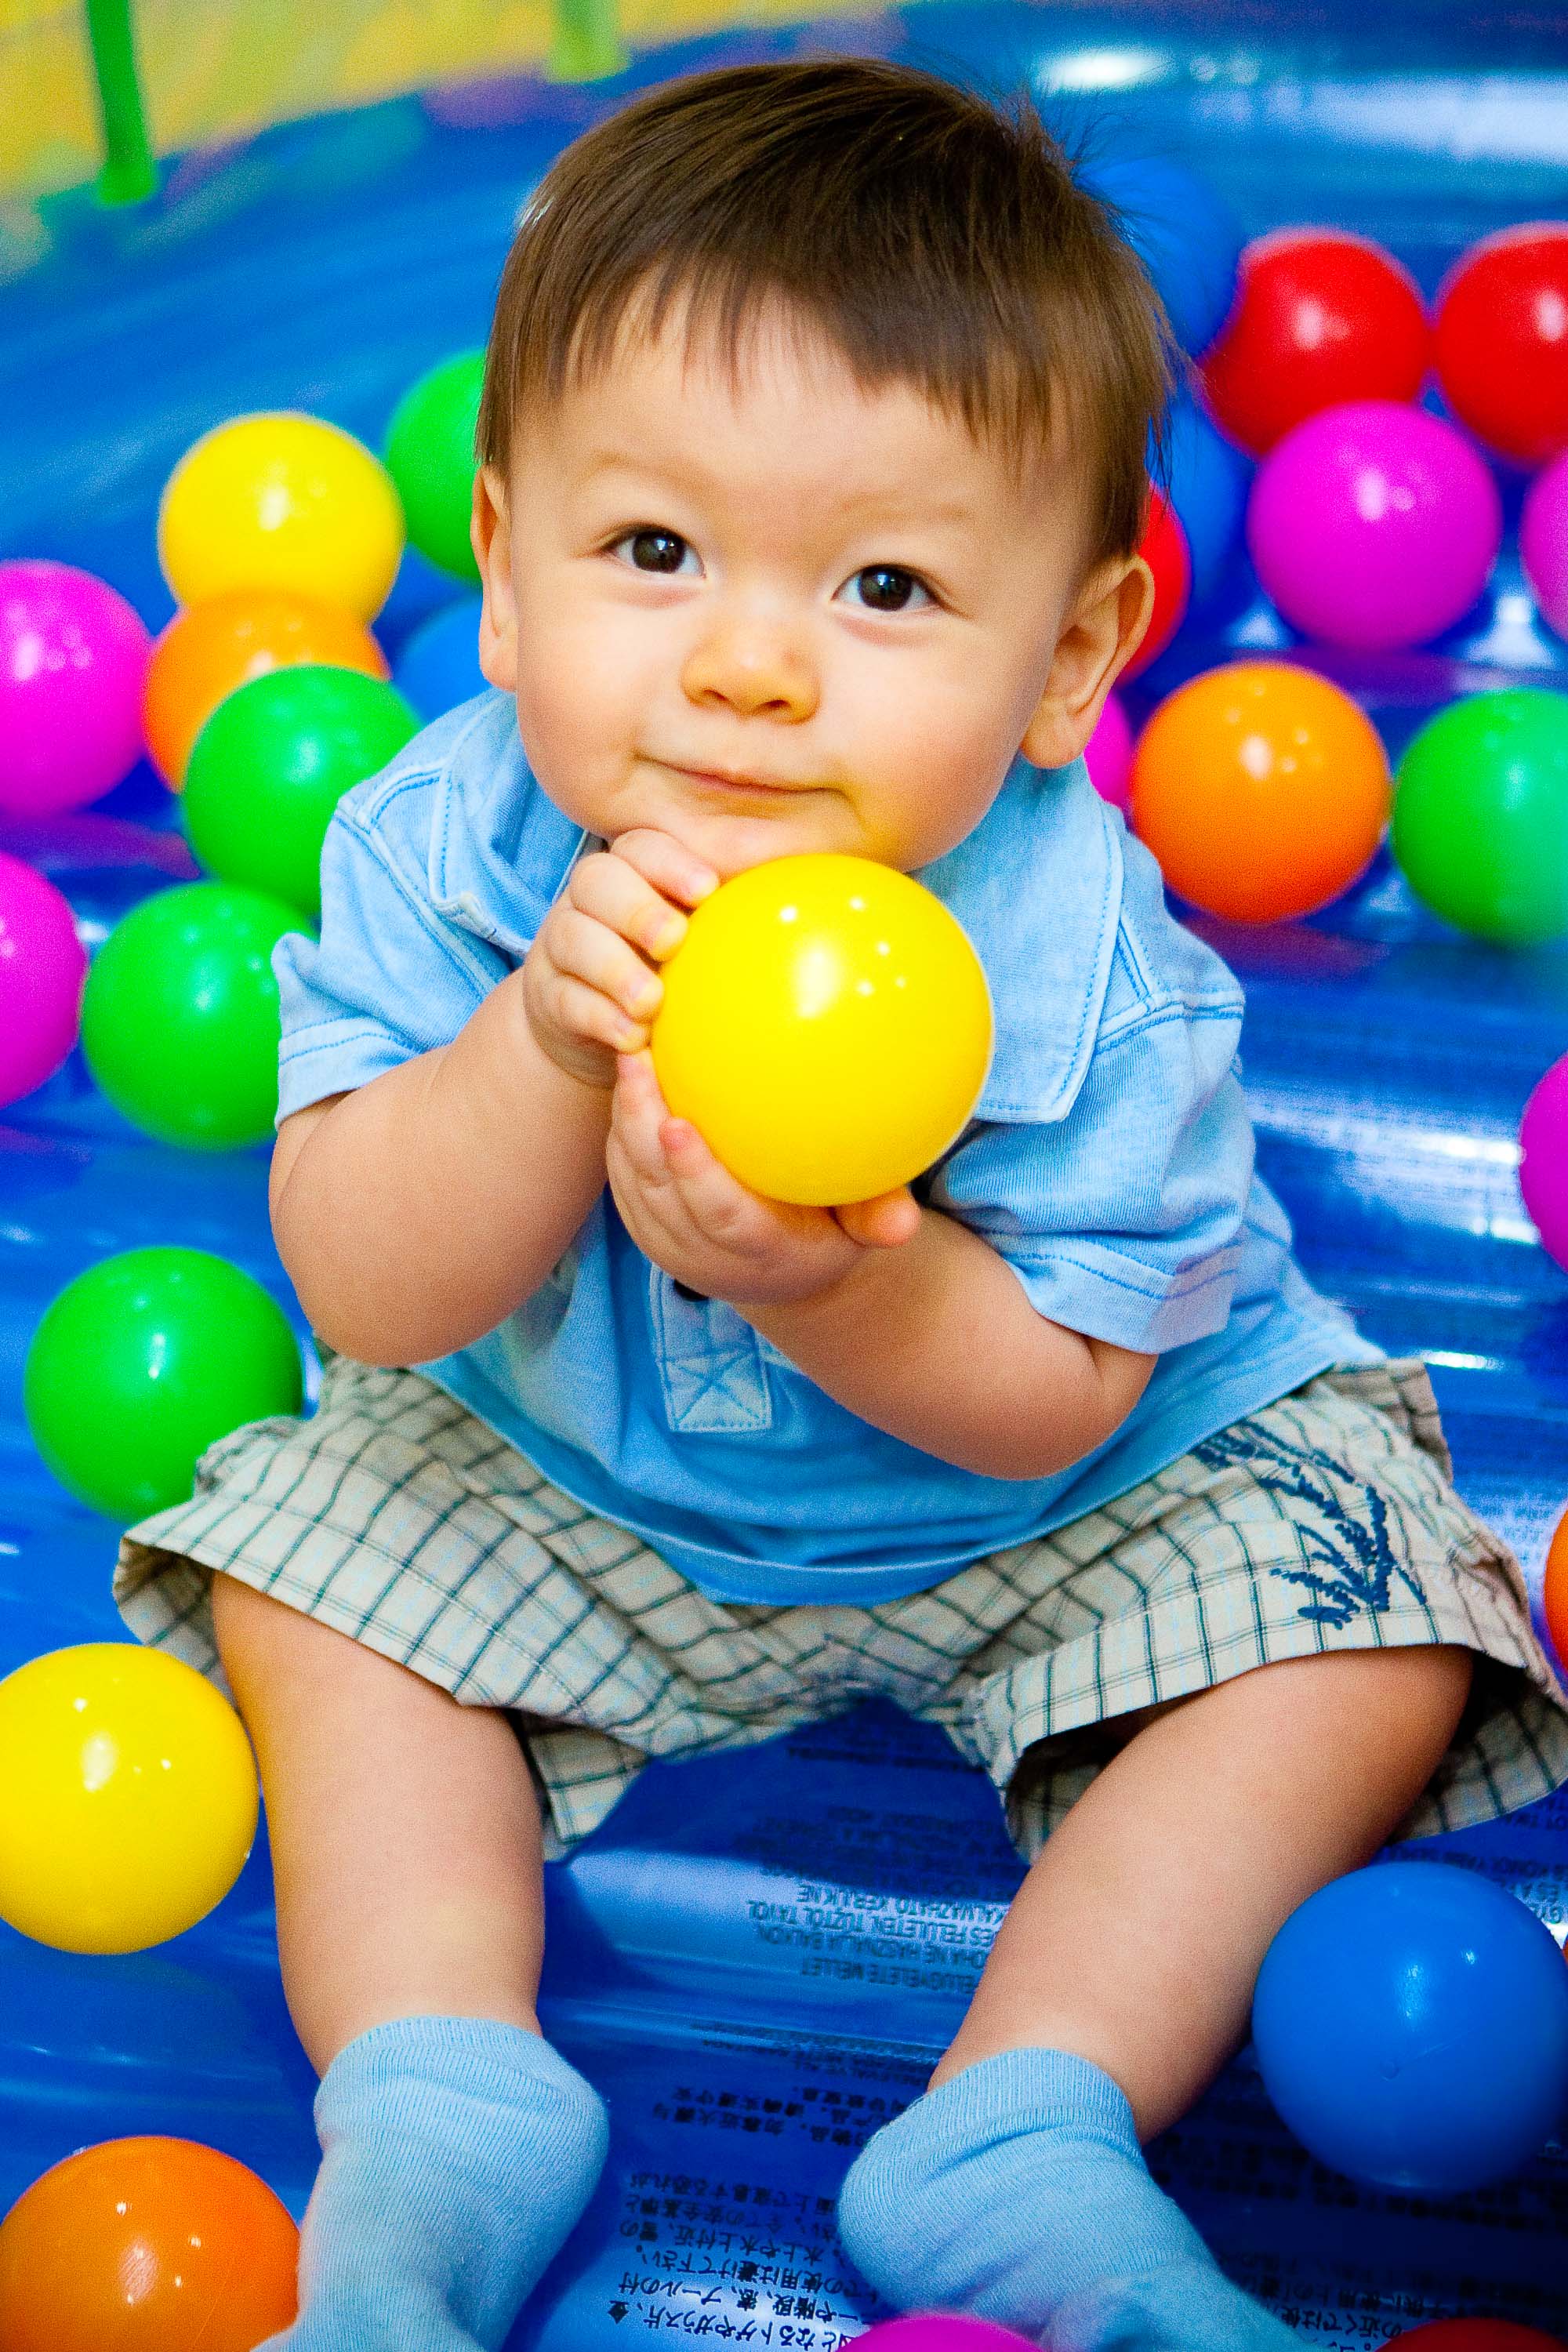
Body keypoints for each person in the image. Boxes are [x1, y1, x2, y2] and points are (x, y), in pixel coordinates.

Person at [113, 57, 1568, 2352]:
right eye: (654, 552)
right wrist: (532, 1056)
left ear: (1072, 663)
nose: (749, 665)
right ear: (497, 573)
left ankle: (1025, 2116)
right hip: (564, 1472)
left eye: (885, 584)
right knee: (305, 1568)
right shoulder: (444, 851)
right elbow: (370, 1293)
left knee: (1377, 1602)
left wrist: (818, 1290)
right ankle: (435, 2097)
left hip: (1065, 1497)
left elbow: (1060, 1405)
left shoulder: (1090, 952)